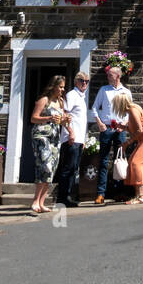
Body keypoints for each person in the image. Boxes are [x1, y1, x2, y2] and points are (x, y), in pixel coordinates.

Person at [91, 65, 131, 204]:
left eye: (110, 75)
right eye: (108, 75)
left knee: (119, 160)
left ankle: (119, 192)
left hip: (120, 130)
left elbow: (129, 112)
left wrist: (124, 125)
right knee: (103, 161)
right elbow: (95, 108)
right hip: (106, 128)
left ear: (118, 76)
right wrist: (100, 123)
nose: (108, 77)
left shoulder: (126, 92)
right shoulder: (104, 90)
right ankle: (101, 194)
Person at [30, 77, 69, 214]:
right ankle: (35, 201)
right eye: (61, 87)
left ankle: (42, 202)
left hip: (55, 138)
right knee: (44, 166)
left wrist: (66, 122)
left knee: (51, 168)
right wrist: (49, 118)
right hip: (42, 136)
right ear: (53, 86)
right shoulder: (44, 100)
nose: (62, 90)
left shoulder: (60, 102)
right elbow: (33, 118)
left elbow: (62, 121)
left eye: (64, 87)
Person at [113, 93, 143, 204]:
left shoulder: (133, 110)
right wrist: (122, 127)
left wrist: (127, 143)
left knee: (136, 163)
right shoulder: (132, 110)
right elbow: (135, 129)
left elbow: (139, 130)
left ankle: (141, 196)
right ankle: (137, 195)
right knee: (132, 162)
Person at [57, 72, 89, 207]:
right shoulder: (71, 95)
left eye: (87, 81)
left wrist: (83, 139)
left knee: (73, 168)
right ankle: (62, 197)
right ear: (76, 82)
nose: (85, 84)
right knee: (68, 168)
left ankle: (67, 196)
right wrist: (70, 133)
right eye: (82, 81)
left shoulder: (81, 97)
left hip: (79, 139)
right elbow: (64, 114)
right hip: (71, 138)